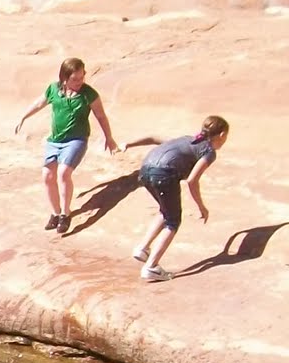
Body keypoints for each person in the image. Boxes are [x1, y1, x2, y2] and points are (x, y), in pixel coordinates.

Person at [14, 56, 118, 235]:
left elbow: (100, 116)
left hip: (76, 140)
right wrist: (23, 117)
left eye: (81, 77)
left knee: (63, 172)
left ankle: (65, 213)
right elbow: (40, 103)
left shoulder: (88, 94)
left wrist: (108, 137)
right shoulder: (54, 89)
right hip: (54, 141)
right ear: (64, 77)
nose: (79, 82)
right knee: (47, 175)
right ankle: (55, 213)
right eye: (74, 79)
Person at [124, 116, 229, 283]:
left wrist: (129, 144)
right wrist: (201, 207)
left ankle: (142, 248)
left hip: (144, 171)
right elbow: (192, 180)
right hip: (163, 175)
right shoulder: (209, 151)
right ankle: (151, 267)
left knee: (165, 211)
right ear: (222, 134)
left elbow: (153, 138)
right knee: (173, 221)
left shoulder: (187, 139)